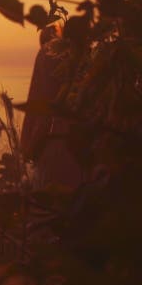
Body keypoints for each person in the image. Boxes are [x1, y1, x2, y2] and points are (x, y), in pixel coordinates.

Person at [21, 25, 83, 188]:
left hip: (50, 139)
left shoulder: (44, 55)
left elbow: (36, 95)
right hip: (78, 142)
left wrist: (27, 141)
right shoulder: (81, 56)